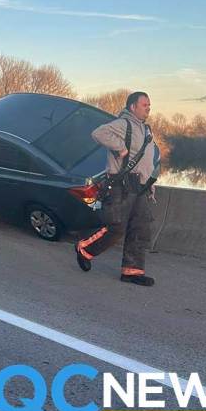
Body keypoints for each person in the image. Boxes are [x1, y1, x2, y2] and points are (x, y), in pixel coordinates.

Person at [76, 91, 158, 286]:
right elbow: (98, 133)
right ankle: (84, 249)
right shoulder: (123, 124)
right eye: (144, 105)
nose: (148, 108)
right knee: (116, 227)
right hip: (121, 185)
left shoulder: (146, 130)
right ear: (133, 107)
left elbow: (147, 161)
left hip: (141, 187)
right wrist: (120, 148)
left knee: (139, 228)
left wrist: (150, 184)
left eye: (149, 105)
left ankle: (132, 271)